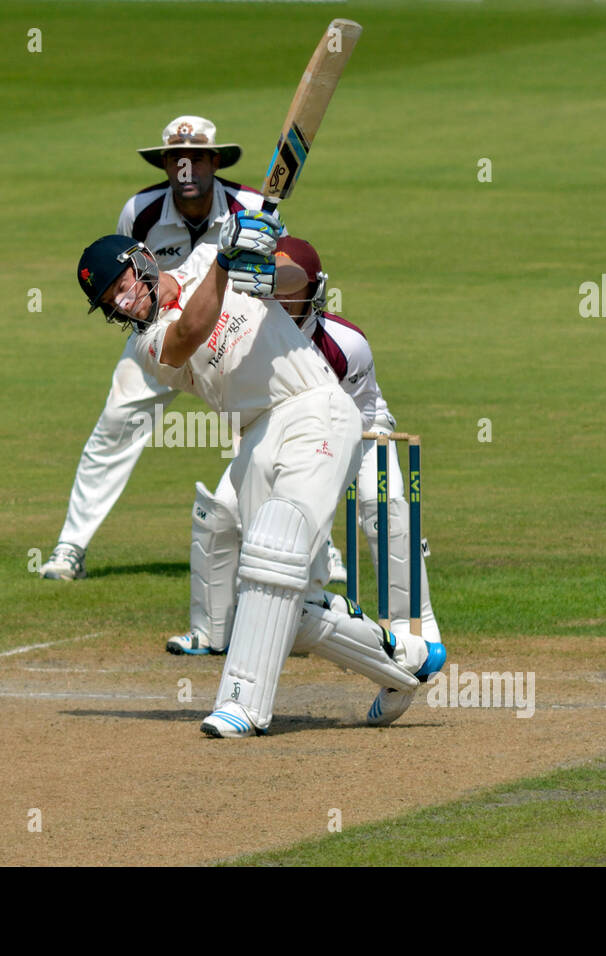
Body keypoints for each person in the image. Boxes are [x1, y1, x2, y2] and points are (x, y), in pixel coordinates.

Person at [75, 213, 438, 737]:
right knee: (290, 608)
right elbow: (190, 333)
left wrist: (261, 267)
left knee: (274, 549)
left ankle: (241, 703)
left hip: (312, 405)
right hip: (253, 437)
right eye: (108, 302)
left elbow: (300, 282)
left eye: (120, 285)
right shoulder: (149, 345)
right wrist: (227, 263)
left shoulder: (206, 259)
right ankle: (404, 660)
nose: (120, 302)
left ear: (142, 259)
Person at [168, 235, 446, 724]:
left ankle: (419, 633)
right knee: (223, 511)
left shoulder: (346, 343)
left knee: (385, 510)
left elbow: (353, 416)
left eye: (290, 290)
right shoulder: (250, 330)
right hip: (280, 435)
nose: (281, 301)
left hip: (358, 430)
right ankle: (214, 632)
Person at [39, 116, 264, 581]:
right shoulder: (139, 211)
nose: (187, 169)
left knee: (268, 435)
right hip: (162, 333)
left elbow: (272, 274)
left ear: (215, 161)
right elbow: (122, 286)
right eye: (177, 159)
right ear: (164, 164)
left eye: (197, 158)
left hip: (235, 330)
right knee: (116, 424)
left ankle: (316, 554)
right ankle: (70, 548)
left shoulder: (250, 205)